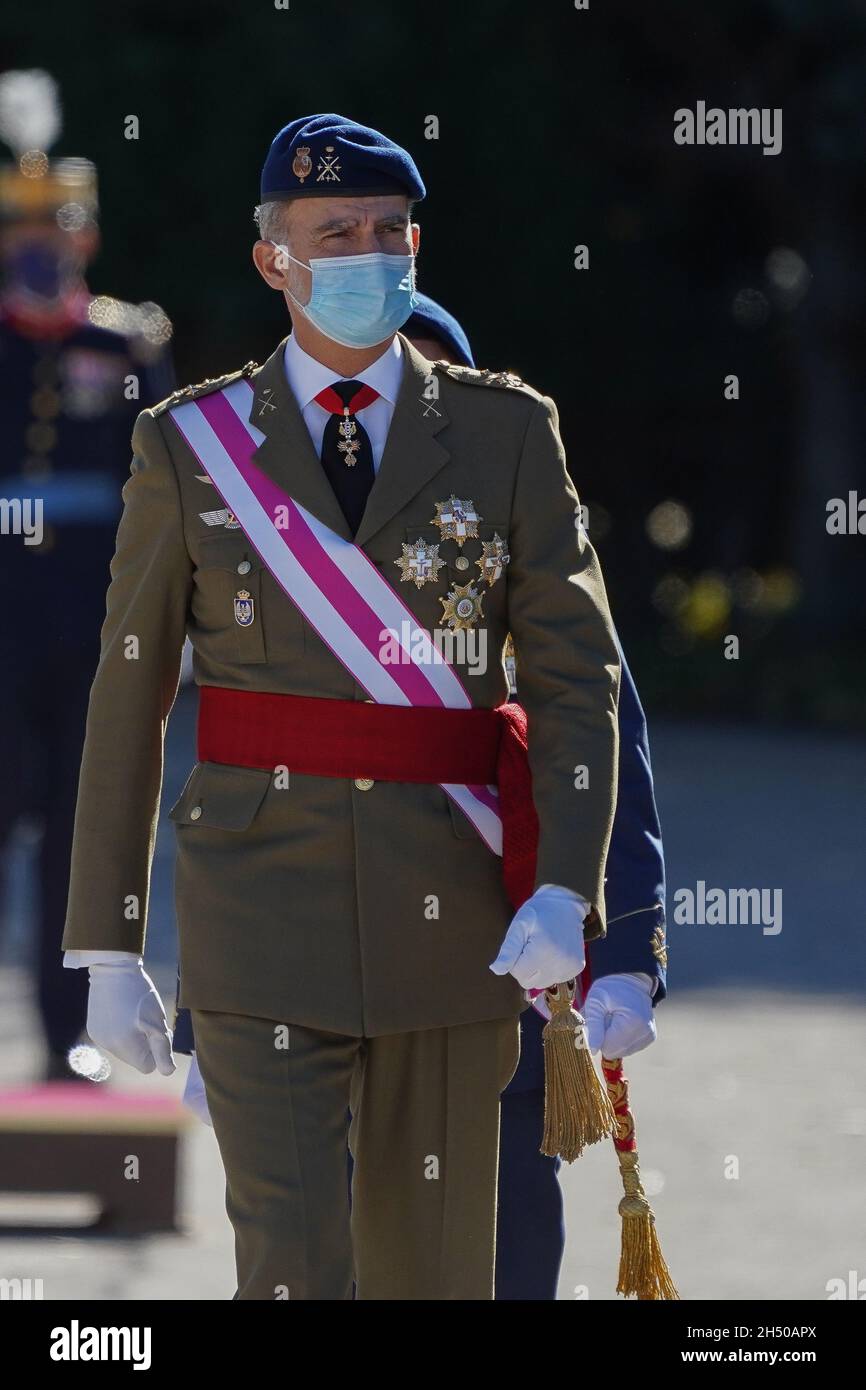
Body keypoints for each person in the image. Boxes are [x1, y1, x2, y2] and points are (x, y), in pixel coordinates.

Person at [62, 113, 648, 1300]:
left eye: (389, 232)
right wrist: (107, 942)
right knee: (290, 1267)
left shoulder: (505, 432)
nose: (367, 254)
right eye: (335, 233)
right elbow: (128, 698)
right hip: (255, 910)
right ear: (273, 258)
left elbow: (577, 676)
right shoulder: (188, 447)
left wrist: (562, 888)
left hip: (454, 916)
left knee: (431, 1276)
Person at [176, 291, 667, 1300]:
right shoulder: (279, 589)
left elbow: (602, 755)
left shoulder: (528, 557)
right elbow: (232, 808)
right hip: (307, 992)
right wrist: (205, 1015)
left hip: (495, 986)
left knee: (499, 1256)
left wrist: (622, 955)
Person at [0, 69, 173, 1081]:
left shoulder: (126, 344)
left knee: (78, 834)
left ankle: (69, 1041)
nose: (40, 244)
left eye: (61, 226)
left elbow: (159, 501)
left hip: (92, 630)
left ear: (87, 237)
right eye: (24, 227)